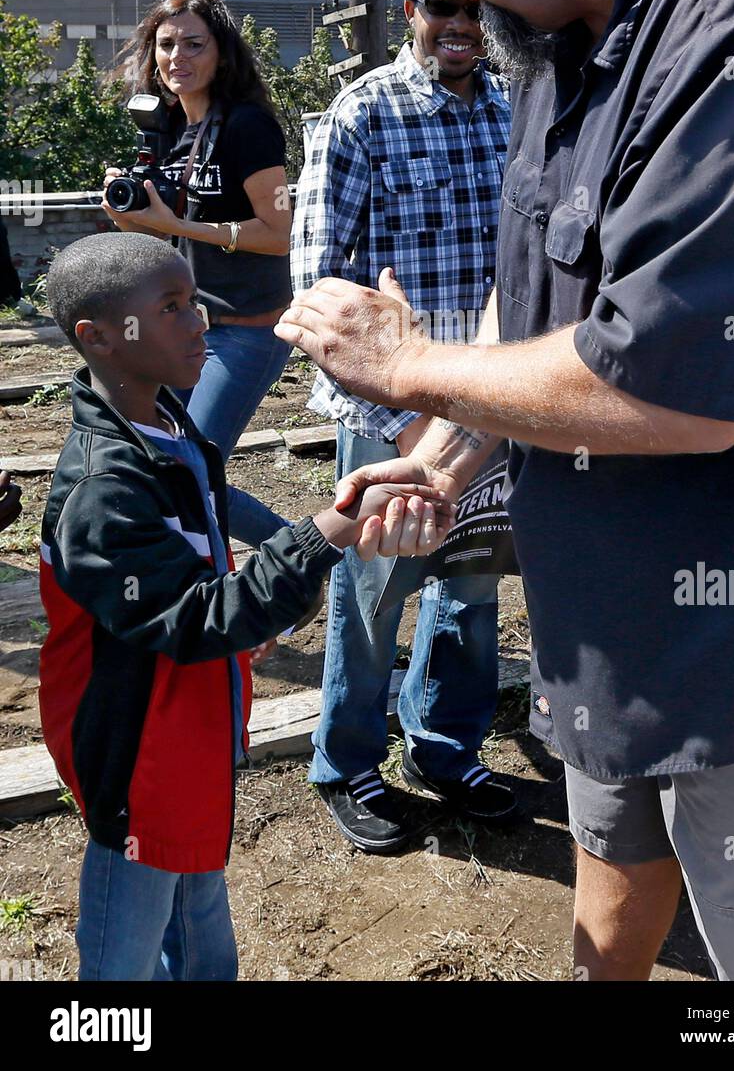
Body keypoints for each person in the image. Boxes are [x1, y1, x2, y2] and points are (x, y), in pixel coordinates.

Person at [277, 0, 734, 982]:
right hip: (607, 626)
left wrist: (412, 365)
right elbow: (541, 283)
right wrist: (438, 459)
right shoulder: (552, 24)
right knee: (615, 877)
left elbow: (678, 390)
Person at [39, 232, 454, 981]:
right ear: (96, 338)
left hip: (191, 724)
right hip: (137, 751)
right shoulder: (101, 489)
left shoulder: (167, 424)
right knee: (125, 942)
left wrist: (238, 613)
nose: (200, 320)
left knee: (197, 899)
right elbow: (193, 621)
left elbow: (198, 588)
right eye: (170, 308)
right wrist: (329, 529)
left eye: (194, 300)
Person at [290, 0, 514, 853]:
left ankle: (444, 746)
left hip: (488, 410)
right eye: (437, 5)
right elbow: (317, 280)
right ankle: (348, 764)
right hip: (388, 416)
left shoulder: (512, 109)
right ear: (409, 12)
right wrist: (400, 415)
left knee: (470, 592)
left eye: (473, 6)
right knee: (372, 598)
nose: (457, 23)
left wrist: (484, 411)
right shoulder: (363, 113)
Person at [103, 0, 293, 547]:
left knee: (195, 470)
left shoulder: (247, 126)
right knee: (162, 459)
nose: (177, 56)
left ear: (222, 53)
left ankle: (301, 564)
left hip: (250, 333)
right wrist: (126, 212)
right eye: (165, 44)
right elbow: (160, 235)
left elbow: (277, 234)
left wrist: (182, 226)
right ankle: (205, 583)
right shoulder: (167, 131)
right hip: (189, 327)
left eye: (193, 43)